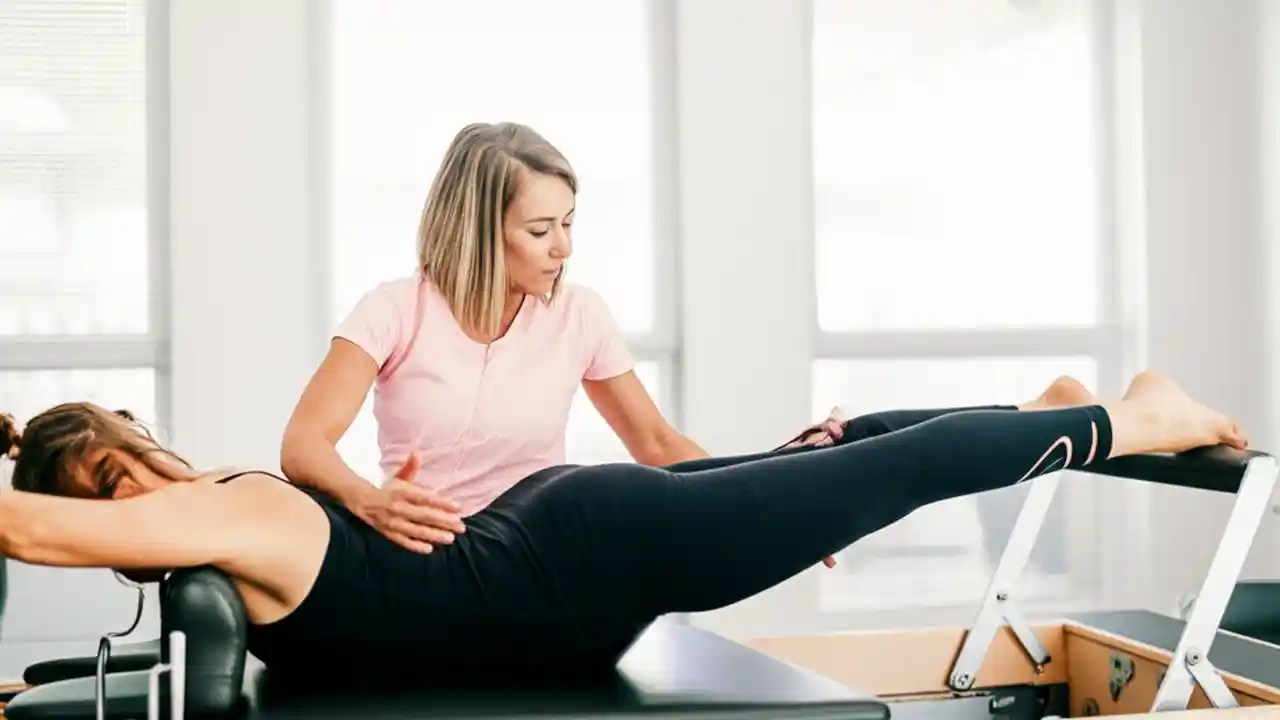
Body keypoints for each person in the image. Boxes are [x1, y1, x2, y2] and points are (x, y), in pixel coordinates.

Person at [0, 371, 1250, 680]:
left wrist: (53, 501)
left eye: (121, 468)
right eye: (104, 495)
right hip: (571, 548)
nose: (128, 498)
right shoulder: (212, 527)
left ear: (151, 450)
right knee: (836, 459)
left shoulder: (239, 511)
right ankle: (1035, 412)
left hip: (590, 551)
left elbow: (27, 533)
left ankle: (1128, 417)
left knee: (888, 477)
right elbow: (40, 527)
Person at [276, 121, 851, 562]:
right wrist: (368, 500)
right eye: (540, 230)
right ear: (478, 231)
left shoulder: (579, 316)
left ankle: (794, 472)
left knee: (616, 494)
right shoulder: (394, 310)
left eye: (568, 223)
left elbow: (656, 443)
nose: (563, 247)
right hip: (428, 555)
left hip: (535, 549)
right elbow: (304, 443)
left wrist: (778, 514)